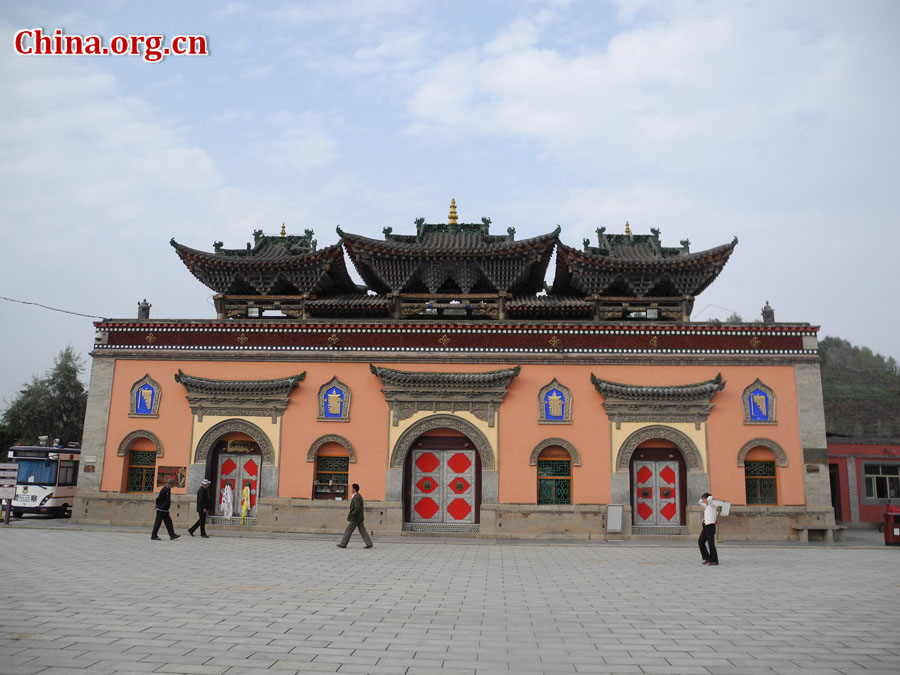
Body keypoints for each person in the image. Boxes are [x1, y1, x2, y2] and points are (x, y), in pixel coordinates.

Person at [337, 483, 373, 549]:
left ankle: (343, 544)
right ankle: (369, 543)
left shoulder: (356, 497)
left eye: (352, 488)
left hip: (355, 518)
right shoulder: (358, 496)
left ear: (354, 489)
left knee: (348, 530)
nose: (351, 490)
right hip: (359, 518)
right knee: (362, 531)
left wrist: (351, 515)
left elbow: (357, 508)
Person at [698, 492, 721, 565]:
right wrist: (704, 499)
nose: (704, 500)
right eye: (704, 499)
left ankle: (714, 560)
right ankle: (707, 557)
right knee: (700, 542)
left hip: (710, 526)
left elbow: (710, 499)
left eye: (705, 498)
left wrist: (710, 498)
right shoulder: (706, 505)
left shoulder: (713, 505)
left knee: (711, 544)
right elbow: (699, 501)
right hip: (705, 526)